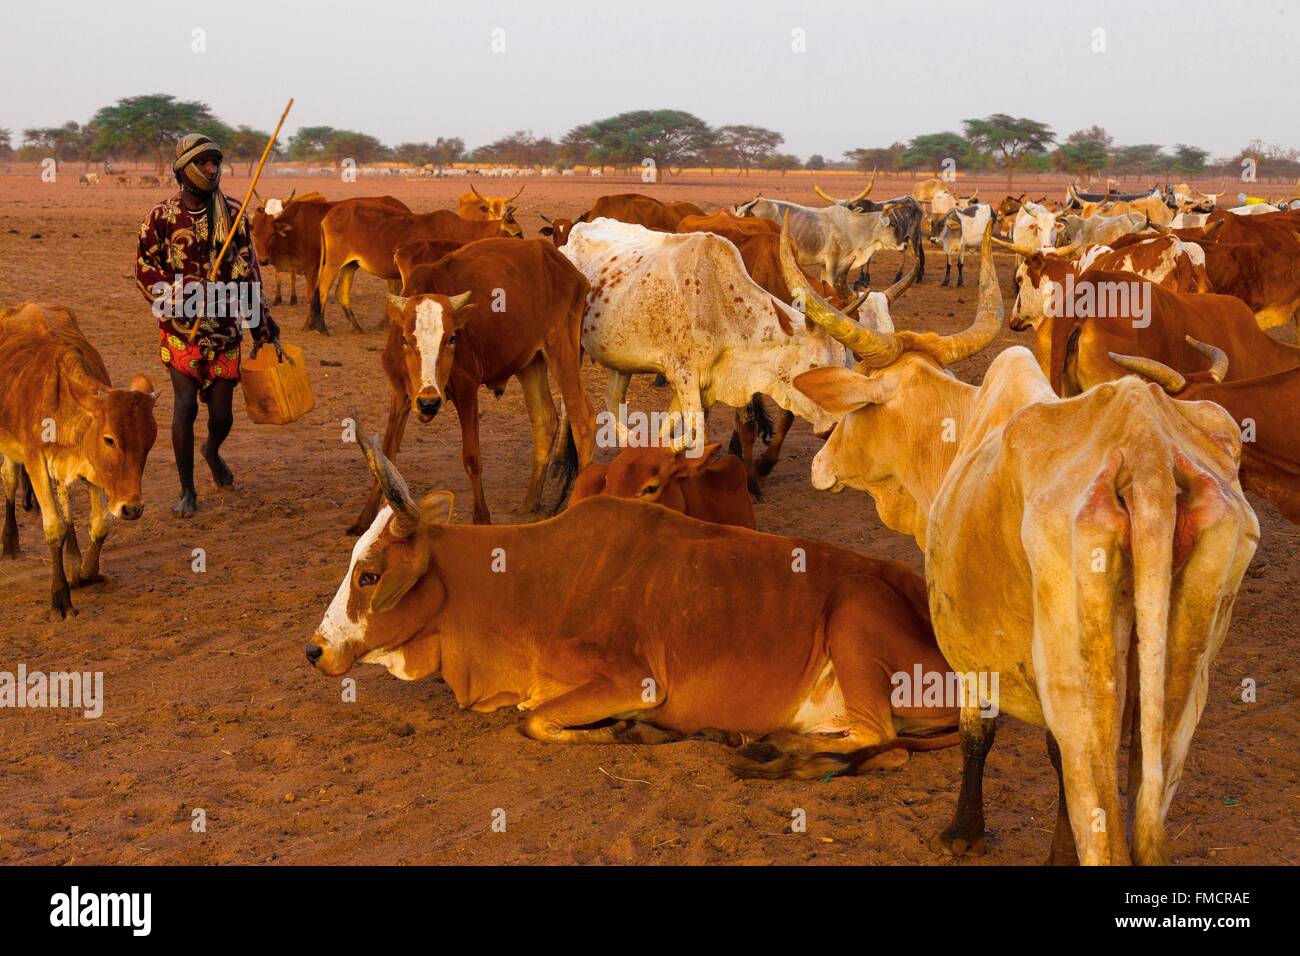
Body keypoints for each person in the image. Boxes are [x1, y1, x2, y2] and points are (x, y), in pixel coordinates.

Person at [135, 133, 281, 517]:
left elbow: (249, 273)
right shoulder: (160, 217)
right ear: (184, 169)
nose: (212, 169)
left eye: (216, 162)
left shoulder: (233, 212)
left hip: (224, 328)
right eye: (203, 163)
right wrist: (181, 291)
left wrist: (261, 324)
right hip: (180, 330)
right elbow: (145, 269)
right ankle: (188, 490)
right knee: (184, 407)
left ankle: (211, 451)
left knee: (222, 416)